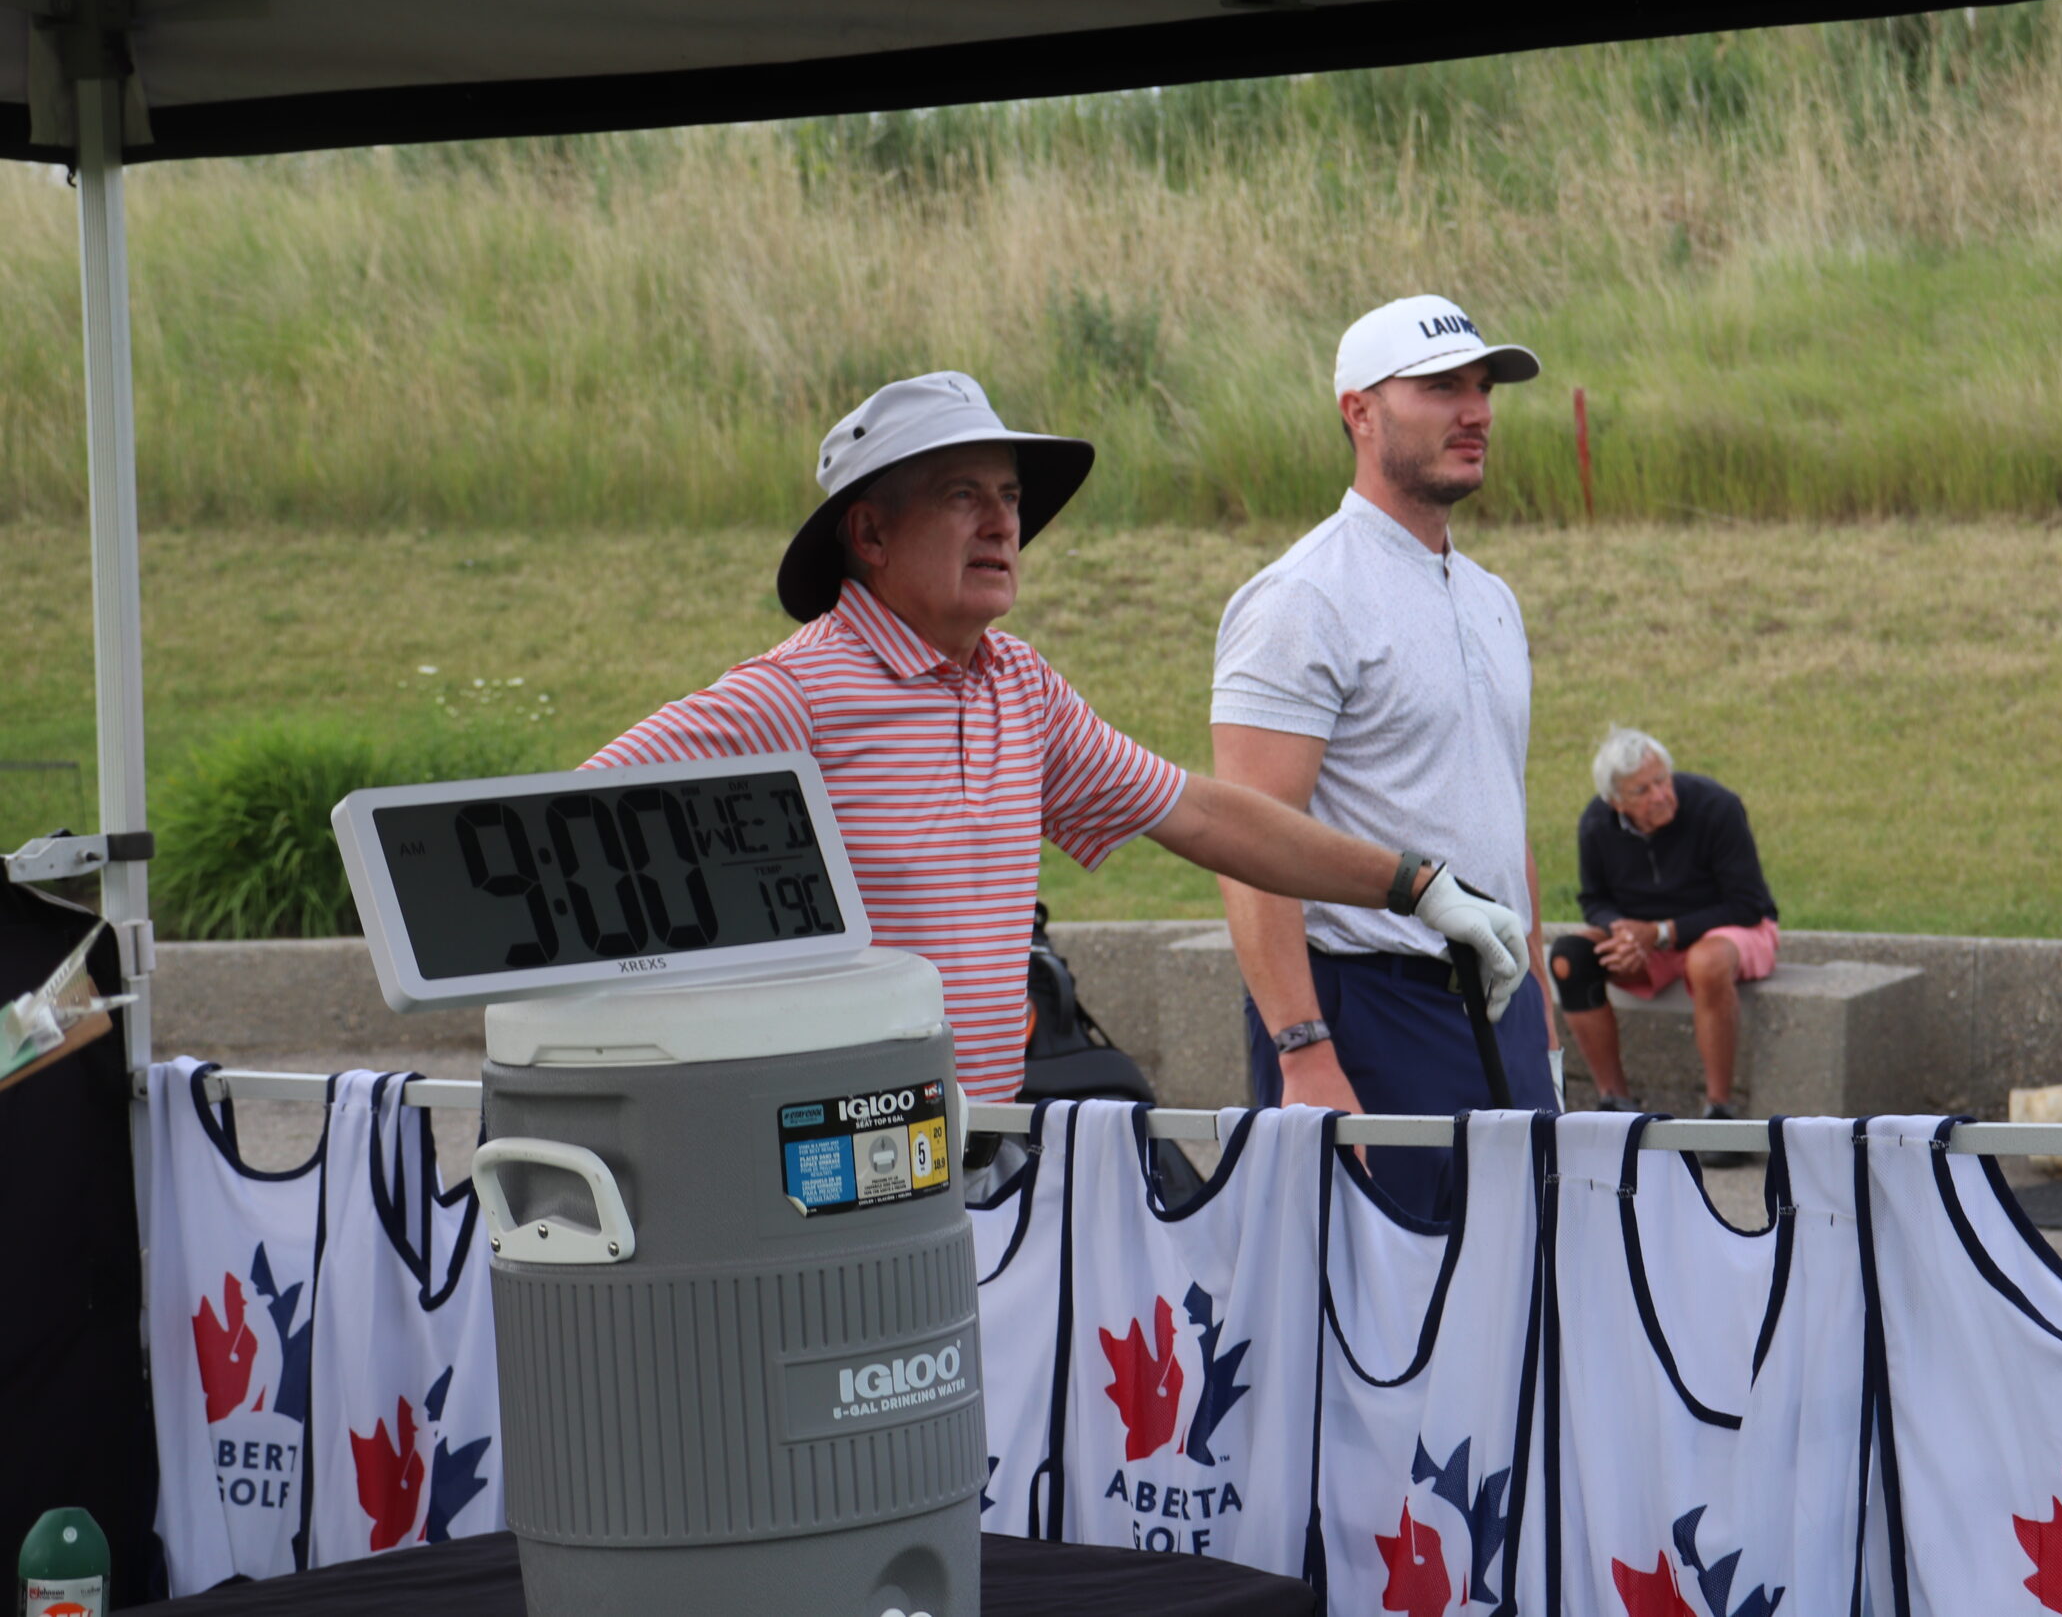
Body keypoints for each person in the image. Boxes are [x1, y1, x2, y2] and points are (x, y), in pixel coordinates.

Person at [584, 369, 1529, 1110]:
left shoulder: (1018, 685)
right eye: (963, 495)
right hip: (824, 1166)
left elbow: (1200, 815)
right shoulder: (793, 695)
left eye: (1009, 496)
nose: (1005, 522)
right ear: (868, 533)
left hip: (979, 1145)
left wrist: (1414, 884)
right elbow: (576, 825)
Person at [1211, 294, 1556, 1221]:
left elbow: (1495, 808)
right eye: (1441, 387)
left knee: (1522, 1300)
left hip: (1502, 1009)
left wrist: (1544, 1005)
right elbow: (1248, 849)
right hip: (1369, 1009)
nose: (1475, 410)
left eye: (1482, 388)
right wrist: (1303, 1049)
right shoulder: (1299, 599)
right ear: (1358, 411)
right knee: (1380, 1318)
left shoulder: (1493, 598)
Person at [1548, 726, 1778, 1127]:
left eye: (1661, 780)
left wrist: (1661, 932)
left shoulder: (1715, 806)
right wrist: (1620, 930)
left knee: (1705, 963)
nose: (1659, 795)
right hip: (1648, 937)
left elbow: (1747, 905)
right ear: (1616, 802)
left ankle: (1719, 1110)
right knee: (1569, 959)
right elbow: (1593, 900)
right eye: (1642, 791)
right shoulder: (1596, 823)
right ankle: (1615, 1103)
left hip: (1726, 929)